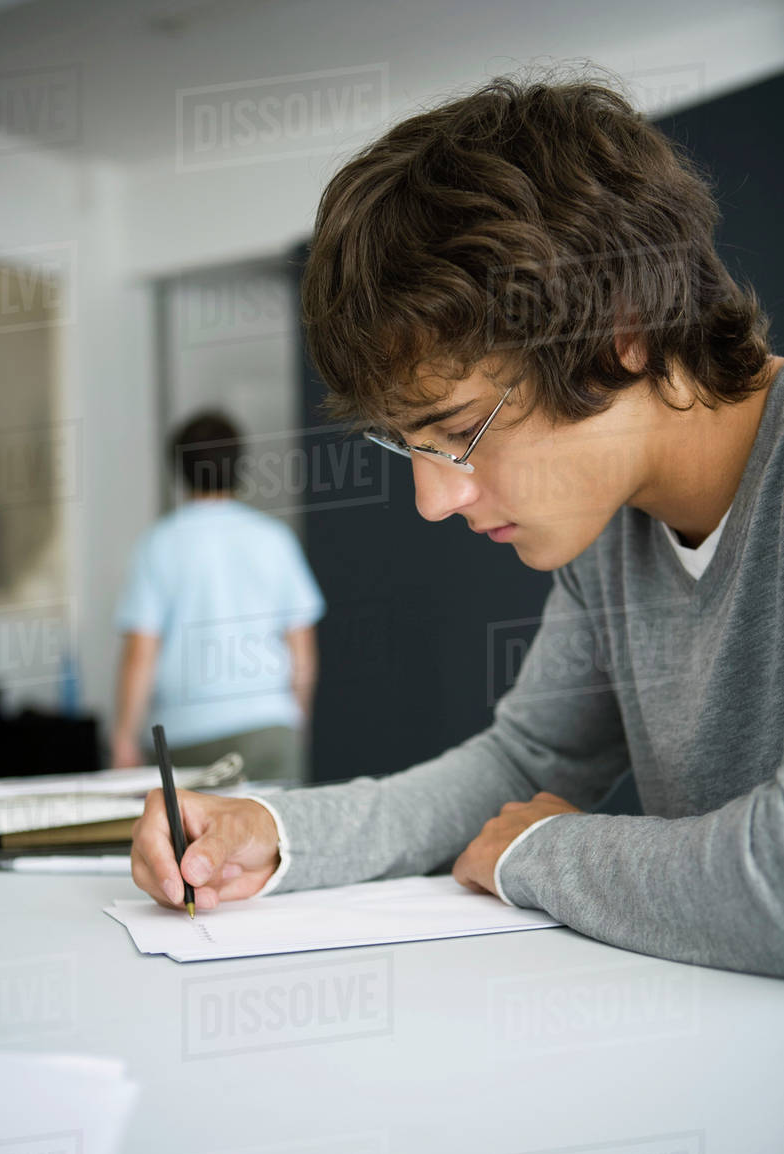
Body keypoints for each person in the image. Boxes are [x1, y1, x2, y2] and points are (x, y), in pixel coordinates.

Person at [130, 74, 784, 977]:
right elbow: (525, 762)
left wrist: (544, 855)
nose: (435, 501)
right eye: (412, 449)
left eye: (459, 431)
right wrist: (274, 832)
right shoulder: (612, 530)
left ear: (619, 330)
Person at [112, 410, 326, 782]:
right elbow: (301, 647)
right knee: (279, 837)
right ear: (238, 464)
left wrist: (124, 738)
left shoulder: (158, 544)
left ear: (178, 469)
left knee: (189, 840)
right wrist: (295, 717)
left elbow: (140, 653)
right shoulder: (273, 538)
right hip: (268, 727)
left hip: (185, 736)